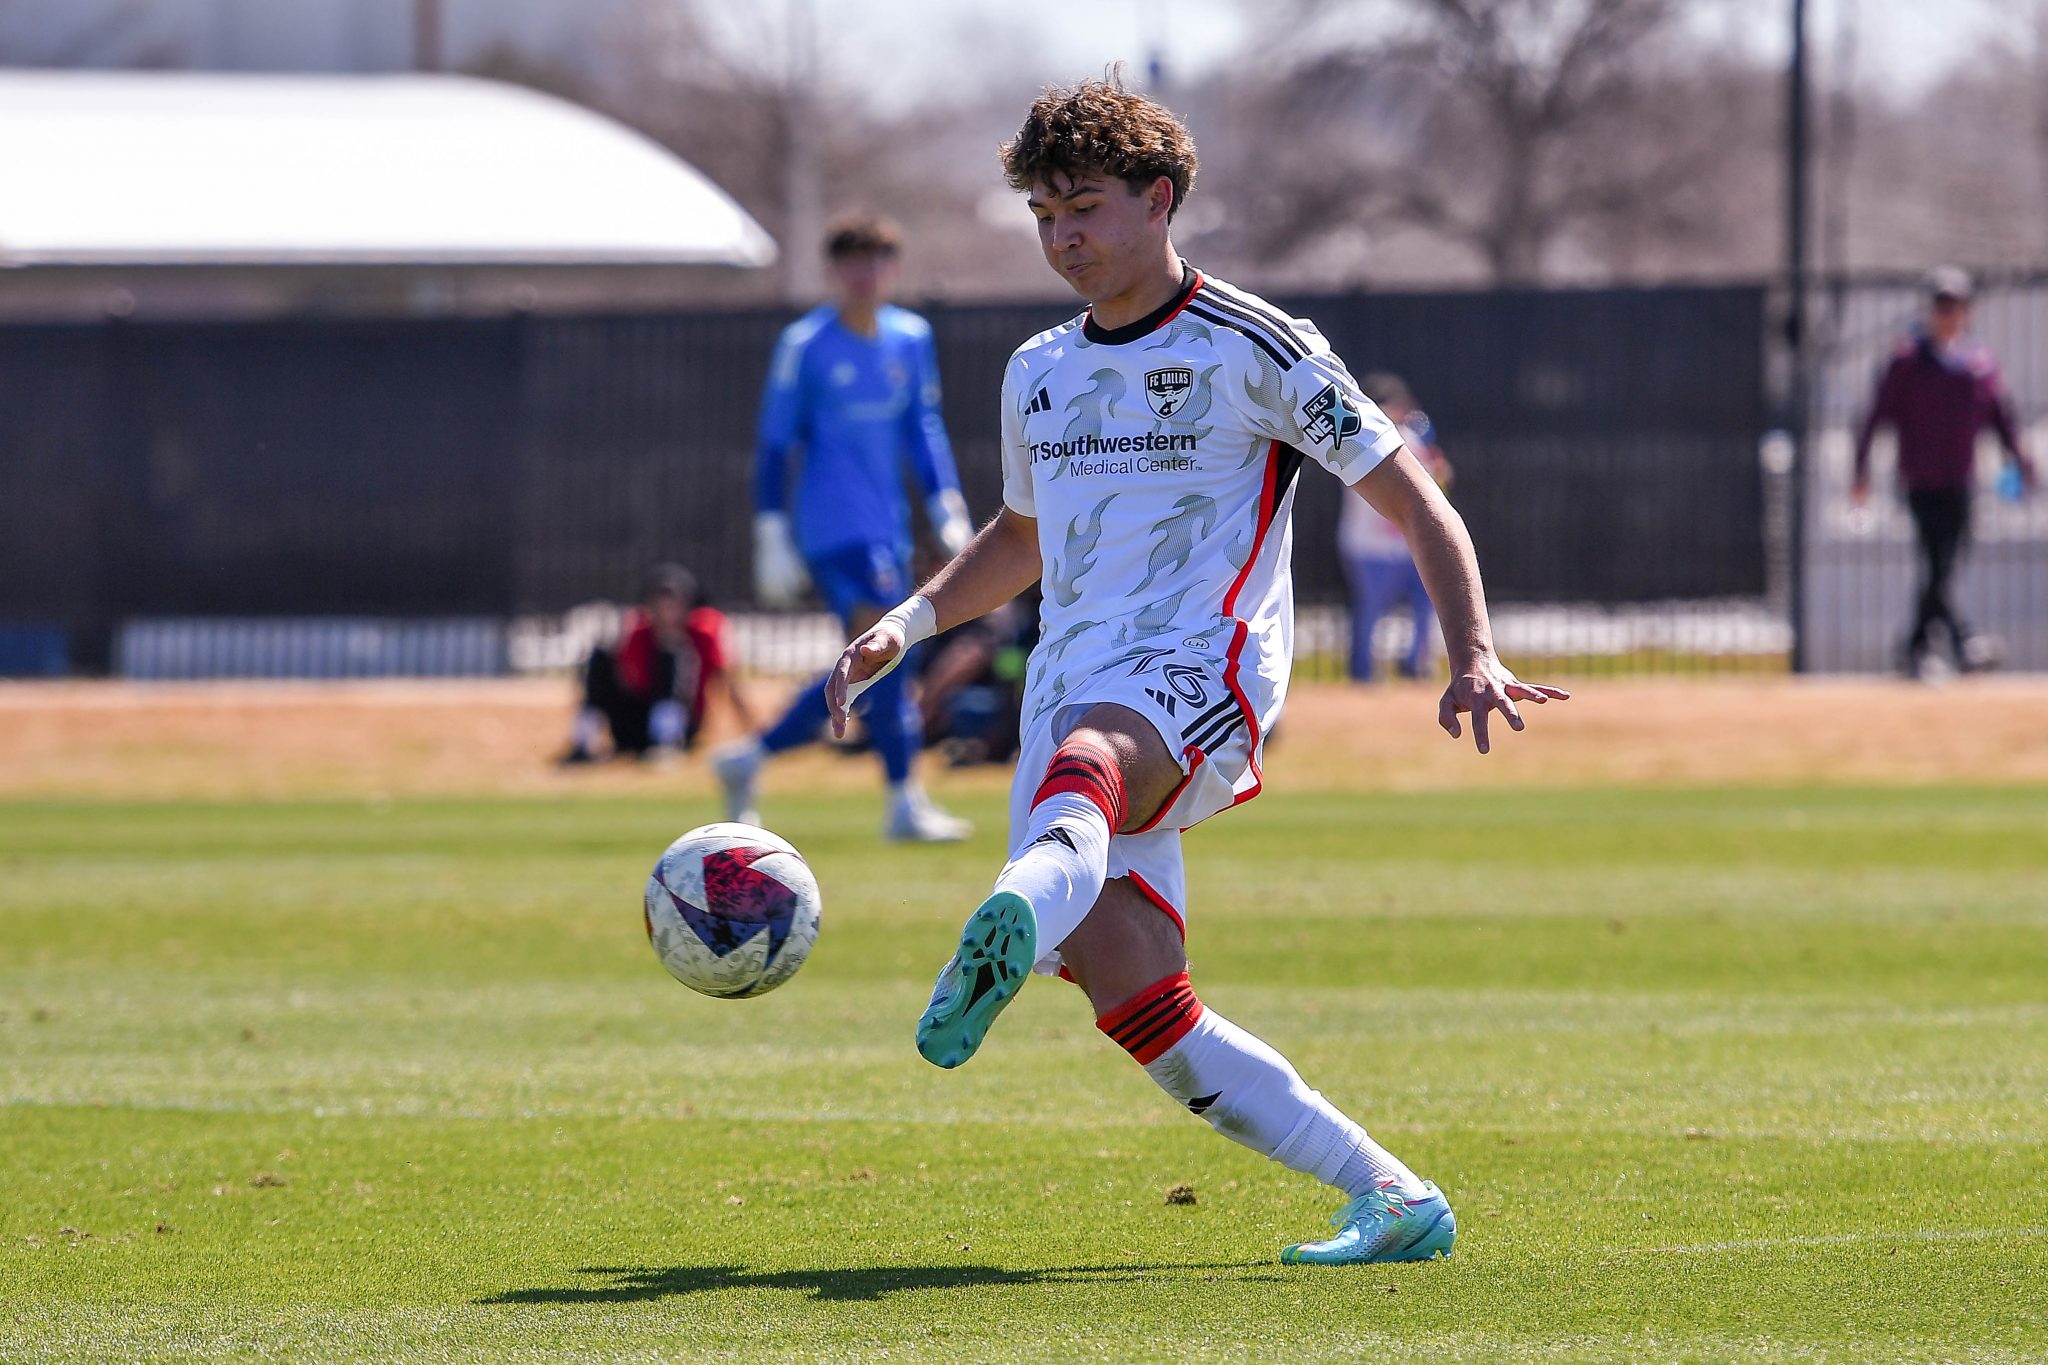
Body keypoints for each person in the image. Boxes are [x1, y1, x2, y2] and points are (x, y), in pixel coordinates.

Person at [824, 77, 1568, 1266]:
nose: (1062, 237)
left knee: (1088, 768)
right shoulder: (1037, 370)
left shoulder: (1257, 346)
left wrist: (1470, 648)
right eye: (1042, 217)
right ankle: (1394, 1198)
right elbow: (1020, 538)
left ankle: (1014, 909)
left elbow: (1412, 500)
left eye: (1083, 208)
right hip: (1067, 684)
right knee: (1146, 1011)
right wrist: (906, 625)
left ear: (1158, 200)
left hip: (1199, 677)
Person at [713, 213, 976, 841]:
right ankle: (900, 801)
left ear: (895, 268)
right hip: (833, 528)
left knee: (882, 659)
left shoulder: (911, 338)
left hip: (888, 527)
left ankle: (752, 757)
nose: (867, 274)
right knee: (886, 653)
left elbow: (924, 428)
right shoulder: (805, 346)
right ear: (835, 271)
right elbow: (775, 446)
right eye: (854, 262)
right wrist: (770, 531)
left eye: (879, 260)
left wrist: (946, 504)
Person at [1854, 266, 2036, 677]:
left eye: (1955, 306)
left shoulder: (1979, 365)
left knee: (1944, 566)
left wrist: (2022, 462)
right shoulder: (1906, 362)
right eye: (1941, 305)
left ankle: (1917, 650)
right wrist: (1860, 470)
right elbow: (1875, 416)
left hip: (1960, 480)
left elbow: (2000, 418)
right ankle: (1963, 641)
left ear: (1967, 311)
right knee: (1937, 563)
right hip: (1918, 480)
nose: (1948, 314)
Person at [560, 564, 750, 763]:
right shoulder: (638, 631)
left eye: (673, 603)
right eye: (659, 602)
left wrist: (751, 731)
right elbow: (632, 682)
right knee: (600, 657)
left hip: (683, 723)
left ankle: (666, 743)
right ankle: (583, 742)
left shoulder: (704, 632)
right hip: (639, 722)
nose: (666, 610)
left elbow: (729, 684)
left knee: (673, 651)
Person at [1337, 373, 1453, 681]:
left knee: (1426, 604)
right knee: (1370, 611)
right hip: (1368, 545)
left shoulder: (1410, 439)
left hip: (1407, 544)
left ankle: (1415, 664)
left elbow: (1436, 483)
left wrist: (1438, 467)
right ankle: (1362, 672)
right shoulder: (1359, 436)